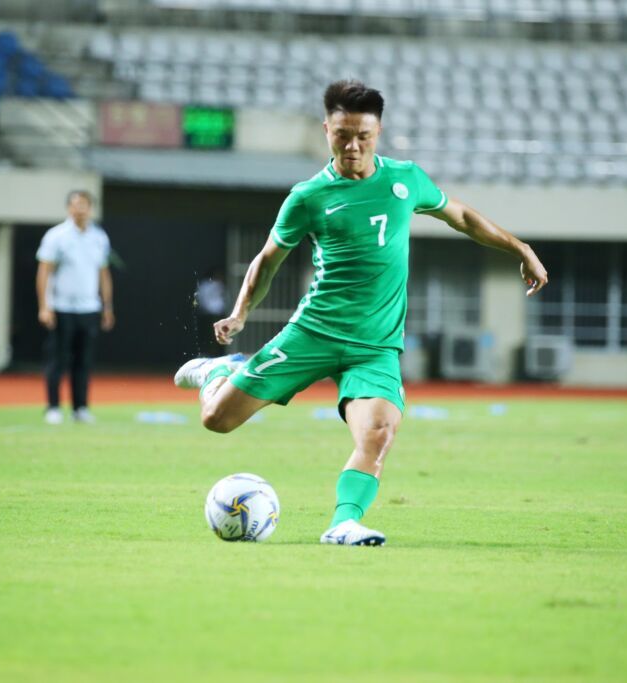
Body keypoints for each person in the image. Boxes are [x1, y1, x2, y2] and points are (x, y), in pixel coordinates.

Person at [174, 80, 548, 546]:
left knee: (378, 433)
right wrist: (240, 313)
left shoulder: (406, 180)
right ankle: (215, 373)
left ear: (379, 133)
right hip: (314, 332)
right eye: (342, 135)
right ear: (326, 129)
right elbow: (268, 259)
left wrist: (521, 247)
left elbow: (464, 217)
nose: (352, 146)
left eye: (363, 137)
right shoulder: (308, 196)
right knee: (217, 419)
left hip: (375, 346)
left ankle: (343, 523)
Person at [36, 190, 115, 424]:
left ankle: (80, 408)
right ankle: (53, 407)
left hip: (89, 308)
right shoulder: (56, 236)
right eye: (76, 205)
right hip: (62, 307)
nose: (80, 209)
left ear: (91, 208)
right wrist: (44, 306)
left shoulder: (99, 237)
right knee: (57, 359)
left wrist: (107, 306)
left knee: (84, 361)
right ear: (69, 208)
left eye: (85, 205)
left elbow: (104, 274)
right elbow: (44, 272)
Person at [194, 267, 227, 357]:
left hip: (217, 314)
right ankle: (208, 354)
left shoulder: (218, 285)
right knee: (209, 336)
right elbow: (201, 298)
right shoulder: (209, 285)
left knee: (218, 337)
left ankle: (215, 355)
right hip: (209, 314)